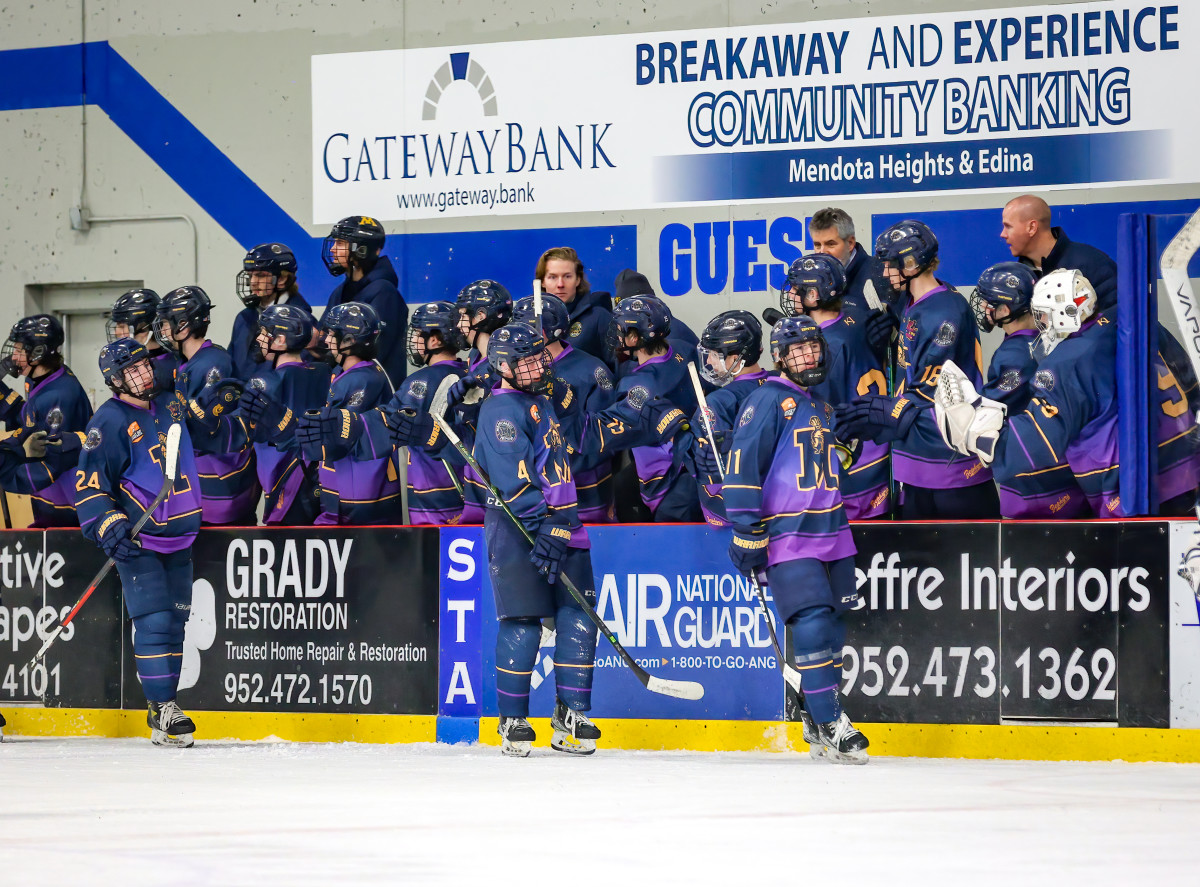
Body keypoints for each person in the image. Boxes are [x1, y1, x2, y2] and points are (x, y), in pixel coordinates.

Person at [722, 315, 868, 764]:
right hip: (788, 534)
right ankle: (831, 719)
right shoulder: (767, 399)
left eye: (813, 348)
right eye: (797, 350)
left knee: (834, 627)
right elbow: (742, 465)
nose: (808, 356)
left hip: (833, 531)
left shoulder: (821, 405)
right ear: (779, 357)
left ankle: (814, 716)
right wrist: (746, 528)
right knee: (813, 622)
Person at [471, 321, 600, 756]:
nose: (538, 367)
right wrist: (545, 524)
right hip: (519, 528)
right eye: (525, 362)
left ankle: (570, 713)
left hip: (565, 525)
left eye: (539, 357)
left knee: (579, 616)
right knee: (524, 620)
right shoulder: (499, 411)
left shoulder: (540, 400)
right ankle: (512, 719)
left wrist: (561, 524)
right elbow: (514, 481)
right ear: (503, 367)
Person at [75, 338, 203, 747]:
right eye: (131, 371)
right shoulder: (108, 421)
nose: (143, 374)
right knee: (156, 621)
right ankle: (163, 706)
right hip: (141, 539)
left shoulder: (171, 404)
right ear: (114, 380)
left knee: (177, 624)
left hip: (181, 536)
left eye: (144, 365)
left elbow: (207, 437)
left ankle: (163, 711)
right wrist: (106, 522)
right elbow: (89, 484)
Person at [836, 220, 999, 519]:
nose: (884, 272)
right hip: (917, 461)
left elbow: (934, 390)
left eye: (890, 264)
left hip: (950, 464)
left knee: (963, 548)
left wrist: (884, 412)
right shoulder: (912, 302)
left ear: (911, 264)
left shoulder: (944, 312)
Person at [968, 262, 1089, 518]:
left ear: (1005, 309)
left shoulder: (1012, 354)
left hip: (1034, 479)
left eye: (989, 302)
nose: (984, 307)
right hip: (1067, 468)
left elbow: (992, 410)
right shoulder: (1047, 338)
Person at [782, 253, 890, 520]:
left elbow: (816, 414)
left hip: (852, 466)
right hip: (879, 458)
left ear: (813, 295)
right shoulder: (855, 318)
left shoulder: (822, 349)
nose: (791, 294)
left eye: (797, 288)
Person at [578, 296, 700, 522]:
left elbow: (598, 435)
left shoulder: (636, 386)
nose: (616, 333)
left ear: (634, 338)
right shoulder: (684, 348)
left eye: (620, 328)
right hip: (697, 466)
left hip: (669, 477)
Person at [355, 300, 469, 525]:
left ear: (434, 340)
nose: (414, 340)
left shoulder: (420, 380)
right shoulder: (469, 373)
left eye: (418, 333)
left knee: (430, 546)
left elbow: (388, 425)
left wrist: (347, 427)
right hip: (466, 488)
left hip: (431, 493)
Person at [156, 286, 259, 525]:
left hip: (220, 480)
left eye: (166, 323)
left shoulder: (210, 364)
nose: (162, 330)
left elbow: (206, 431)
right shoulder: (192, 361)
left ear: (183, 325)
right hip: (209, 479)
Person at [512, 293, 618, 522]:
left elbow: (604, 440)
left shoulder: (592, 371)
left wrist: (556, 464)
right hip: (533, 497)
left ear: (544, 330)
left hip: (585, 498)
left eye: (525, 329)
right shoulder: (514, 374)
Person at [296, 302, 401, 525]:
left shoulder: (360, 379)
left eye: (332, 334)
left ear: (350, 341)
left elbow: (339, 437)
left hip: (360, 494)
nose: (326, 340)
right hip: (359, 487)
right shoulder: (357, 371)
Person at [230, 305, 330, 525]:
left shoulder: (266, 383)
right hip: (321, 478)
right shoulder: (323, 372)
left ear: (281, 340)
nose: (259, 338)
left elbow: (237, 433)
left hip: (285, 483)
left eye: (265, 333)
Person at [0, 314, 94, 527]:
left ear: (38, 353)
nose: (14, 356)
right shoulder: (40, 377)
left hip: (68, 501)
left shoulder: (59, 396)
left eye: (19, 350)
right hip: (53, 496)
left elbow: (54, 461)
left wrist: (7, 471)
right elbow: (31, 417)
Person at [688, 310, 771, 527]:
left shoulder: (719, 402)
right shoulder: (782, 383)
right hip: (787, 505)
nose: (709, 361)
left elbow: (712, 474)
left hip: (742, 518)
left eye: (714, 354)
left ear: (735, 359)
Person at [322, 215, 409, 387]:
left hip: (373, 392)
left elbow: (371, 352)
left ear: (361, 250)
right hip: (347, 385)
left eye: (340, 243)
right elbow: (322, 338)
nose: (332, 249)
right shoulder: (340, 292)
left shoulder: (384, 293)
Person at [999, 194, 1117, 313]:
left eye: (1008, 226)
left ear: (1032, 227)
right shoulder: (1017, 278)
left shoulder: (1093, 264)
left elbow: (1115, 314)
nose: (1003, 234)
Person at [229, 243, 313, 381]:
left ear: (282, 279)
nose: (253, 282)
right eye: (250, 276)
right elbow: (232, 363)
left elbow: (294, 373)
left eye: (260, 275)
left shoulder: (300, 323)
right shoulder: (244, 317)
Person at [536, 247, 613, 366]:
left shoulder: (599, 317)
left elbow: (620, 368)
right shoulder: (530, 320)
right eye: (553, 277)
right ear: (542, 282)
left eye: (567, 276)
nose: (560, 284)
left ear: (578, 280)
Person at [106, 289, 178, 394]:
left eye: (122, 326)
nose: (116, 332)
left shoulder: (168, 366)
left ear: (144, 329)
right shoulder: (173, 359)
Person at [808, 207, 873, 321]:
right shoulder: (810, 280)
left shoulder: (881, 274)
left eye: (830, 244)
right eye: (817, 245)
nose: (822, 252)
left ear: (850, 243)